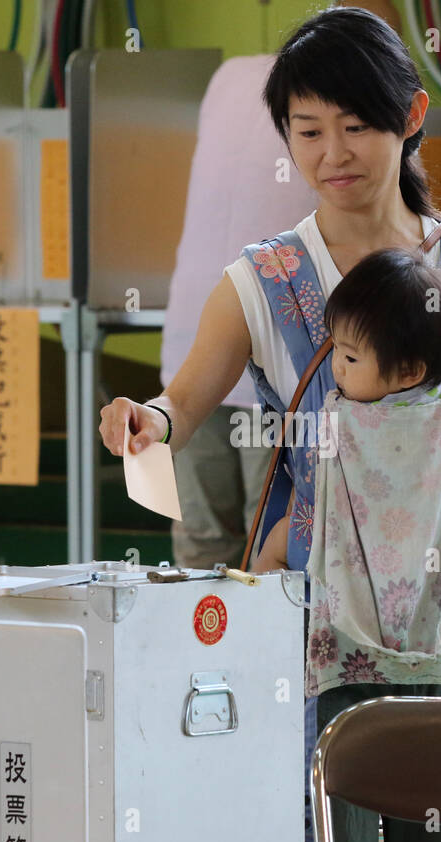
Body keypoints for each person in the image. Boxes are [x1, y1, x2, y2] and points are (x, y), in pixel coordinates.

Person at [99, 6, 441, 842]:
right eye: (307, 130)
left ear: (411, 117)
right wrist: (145, 422)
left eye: (355, 127)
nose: (331, 155)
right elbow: (184, 404)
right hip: (318, 648)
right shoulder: (262, 280)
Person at [252, 247, 441, 694]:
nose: (336, 366)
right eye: (337, 349)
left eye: (350, 358)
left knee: (278, 543)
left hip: (354, 578)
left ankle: (261, 641)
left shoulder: (339, 415)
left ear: (411, 369)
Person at [161, 54, 318, 570]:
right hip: (260, 355)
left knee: (209, 540)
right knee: (267, 540)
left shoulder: (229, 77)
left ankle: (207, 649)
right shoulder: (333, 93)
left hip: (210, 346)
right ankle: (249, 650)